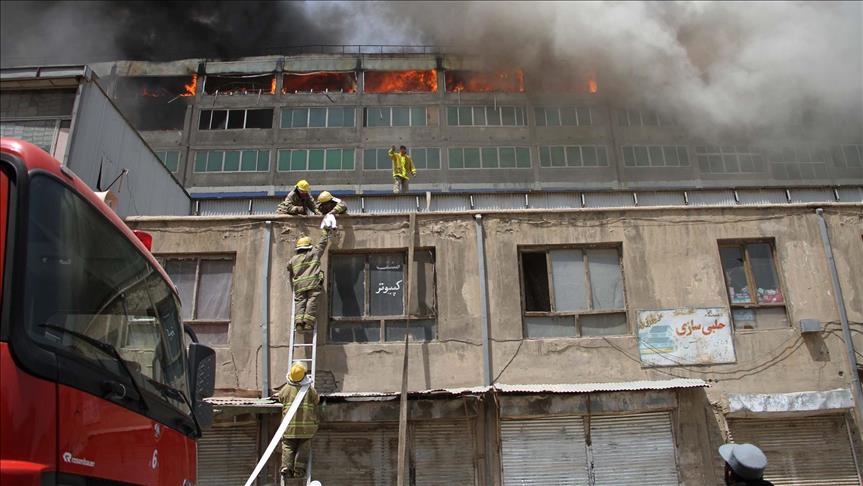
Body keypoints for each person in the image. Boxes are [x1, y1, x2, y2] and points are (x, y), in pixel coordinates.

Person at [288, 223, 334, 331]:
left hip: (299, 285)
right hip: (313, 283)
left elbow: (288, 267)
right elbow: (322, 243)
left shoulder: (293, 259)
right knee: (312, 301)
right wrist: (325, 231)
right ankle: (308, 323)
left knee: (300, 302)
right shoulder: (314, 253)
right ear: (309, 246)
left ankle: (299, 323)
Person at [278, 362, 319, 481]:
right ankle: (299, 470)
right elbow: (316, 400)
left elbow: (280, 398)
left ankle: (286, 467)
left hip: (289, 428)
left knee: (288, 446)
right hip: (306, 429)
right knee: (303, 449)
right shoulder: (309, 390)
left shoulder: (286, 389)